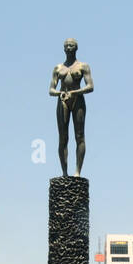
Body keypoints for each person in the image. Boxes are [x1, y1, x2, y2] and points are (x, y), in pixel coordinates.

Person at [48, 38, 93, 177]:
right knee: (63, 137)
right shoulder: (58, 68)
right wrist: (60, 93)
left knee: (79, 136)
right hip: (63, 101)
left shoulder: (83, 66)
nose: (68, 48)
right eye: (66, 46)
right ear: (63, 49)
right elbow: (51, 89)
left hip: (78, 100)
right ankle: (64, 172)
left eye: (71, 46)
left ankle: (77, 171)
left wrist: (74, 92)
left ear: (76, 48)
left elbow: (90, 86)